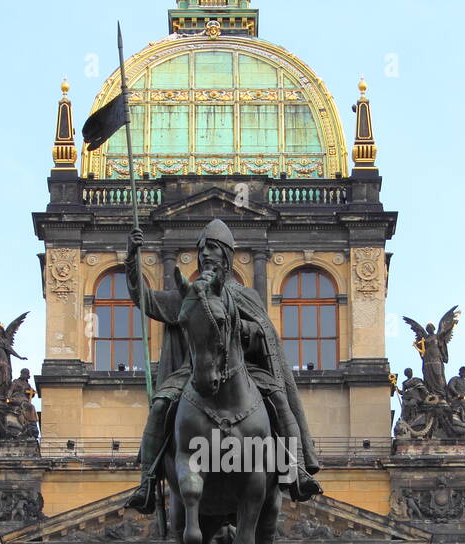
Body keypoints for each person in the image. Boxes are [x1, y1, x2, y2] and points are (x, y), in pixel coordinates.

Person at [124, 219, 321, 514]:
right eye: (202, 249)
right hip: (192, 372)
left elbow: (263, 335)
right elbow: (146, 299)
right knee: (160, 405)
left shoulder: (245, 296)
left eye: (213, 248)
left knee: (279, 399)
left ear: (226, 256)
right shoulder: (188, 294)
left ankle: (296, 471)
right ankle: (147, 482)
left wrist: (241, 329)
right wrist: (131, 259)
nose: (205, 254)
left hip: (242, 371)